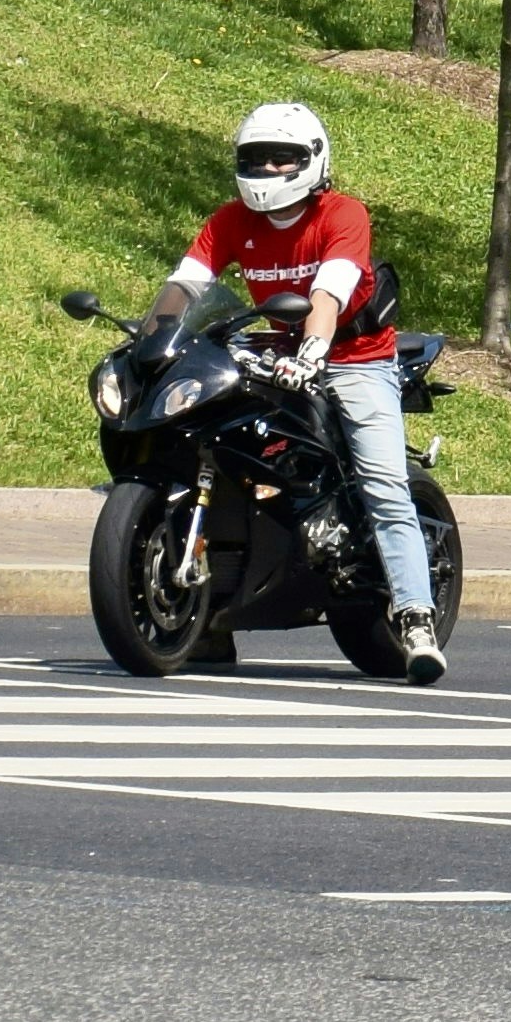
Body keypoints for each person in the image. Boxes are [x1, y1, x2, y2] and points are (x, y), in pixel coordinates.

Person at [163, 102, 435, 678]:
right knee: (219, 446)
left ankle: (416, 618)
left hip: (353, 357)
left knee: (383, 483)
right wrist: (152, 339)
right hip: (275, 351)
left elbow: (330, 293)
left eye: (281, 159)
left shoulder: (344, 213)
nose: (267, 172)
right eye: (255, 160)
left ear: (312, 161)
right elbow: (186, 284)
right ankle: (210, 613)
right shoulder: (230, 220)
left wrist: (312, 352)